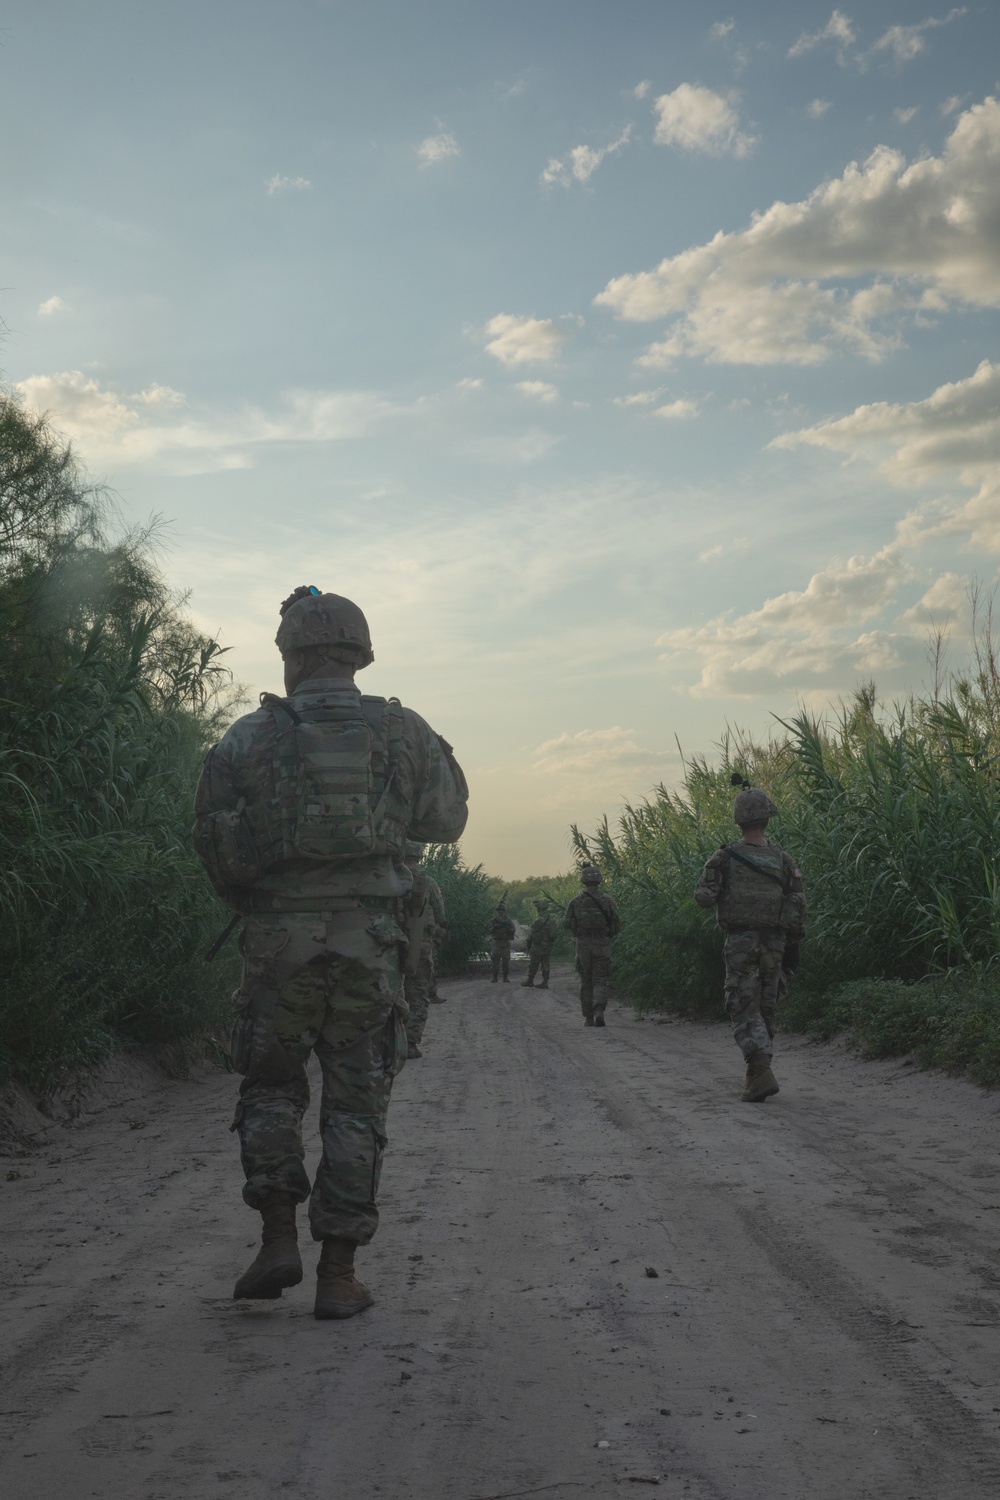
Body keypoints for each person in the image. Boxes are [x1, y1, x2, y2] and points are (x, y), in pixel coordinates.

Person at [193, 586, 468, 1318]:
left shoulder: (247, 738)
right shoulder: (403, 730)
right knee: (356, 1102)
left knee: (271, 1088)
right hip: (371, 945)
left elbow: (220, 855)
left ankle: (277, 1240)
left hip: (278, 943)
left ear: (290, 657)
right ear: (359, 655)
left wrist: (270, 904)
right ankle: (338, 1276)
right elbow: (447, 820)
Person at [694, 784, 806, 1103]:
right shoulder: (784, 859)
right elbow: (798, 903)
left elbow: (703, 897)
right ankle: (757, 1074)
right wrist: (794, 945)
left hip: (742, 941)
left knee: (742, 1003)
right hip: (775, 942)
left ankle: (759, 1068)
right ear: (767, 820)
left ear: (739, 822)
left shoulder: (725, 857)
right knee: (765, 1006)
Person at [401, 841, 446, 1056]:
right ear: (419, 857)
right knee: (419, 994)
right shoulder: (427, 882)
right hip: (421, 945)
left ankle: (386, 1044)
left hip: (389, 945)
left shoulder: (390, 878)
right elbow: (441, 915)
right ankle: (410, 1043)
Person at [563, 864, 620, 1026]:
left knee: (586, 981)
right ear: (599, 880)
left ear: (583, 881)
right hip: (602, 944)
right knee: (600, 980)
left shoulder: (575, 902)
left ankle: (588, 1017)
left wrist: (577, 928)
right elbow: (617, 925)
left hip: (583, 946)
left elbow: (566, 923)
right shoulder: (607, 901)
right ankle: (599, 1010)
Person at [521, 899, 557, 988]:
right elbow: (553, 935)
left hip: (538, 945)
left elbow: (532, 933)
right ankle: (545, 982)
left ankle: (530, 981)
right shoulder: (551, 920)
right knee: (545, 963)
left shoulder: (539, 920)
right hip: (547, 945)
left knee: (534, 963)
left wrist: (528, 944)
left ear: (540, 909)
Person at [488, 903, 516, 982]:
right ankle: (495, 977)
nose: (500, 911)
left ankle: (505, 977)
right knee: (495, 961)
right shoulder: (494, 920)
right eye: (499, 910)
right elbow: (489, 931)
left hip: (505, 942)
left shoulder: (508, 920)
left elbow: (513, 930)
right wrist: (495, 927)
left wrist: (508, 929)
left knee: (505, 962)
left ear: (504, 911)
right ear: (497, 911)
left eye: (502, 910)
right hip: (497, 942)